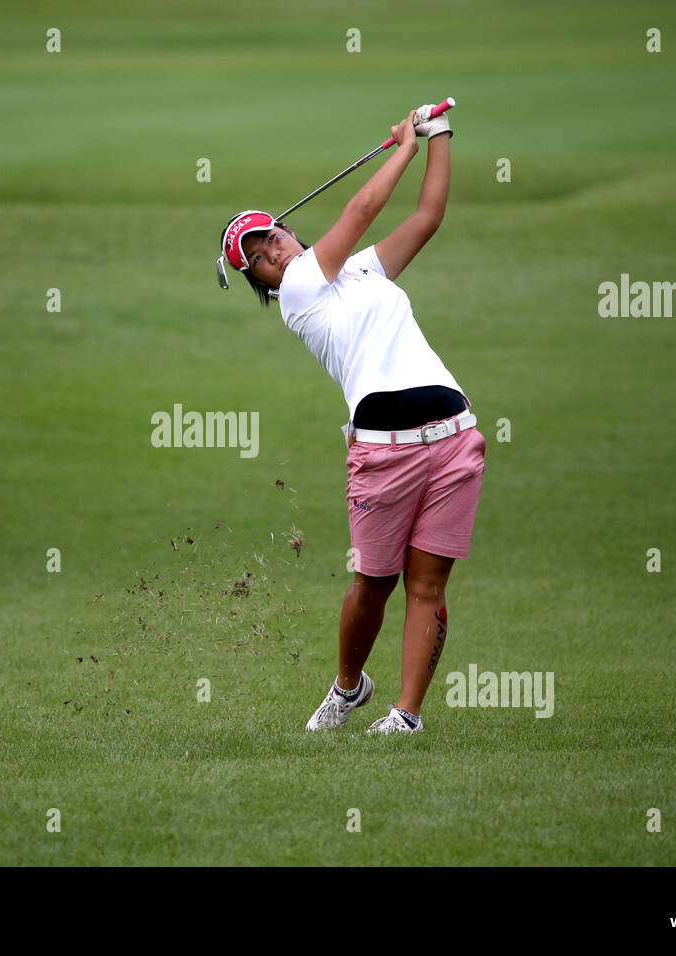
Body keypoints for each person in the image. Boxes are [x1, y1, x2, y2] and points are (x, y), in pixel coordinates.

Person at [218, 106, 485, 735]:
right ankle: (348, 686)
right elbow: (360, 210)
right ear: (260, 281)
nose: (271, 252)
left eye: (272, 236)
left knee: (426, 584)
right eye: (255, 257)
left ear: (288, 232)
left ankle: (407, 716)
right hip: (382, 451)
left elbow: (427, 218)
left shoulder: (363, 270)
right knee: (373, 584)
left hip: (454, 438)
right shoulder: (300, 295)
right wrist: (403, 149)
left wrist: (437, 136)